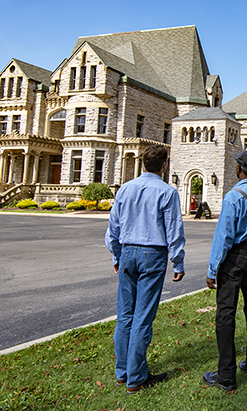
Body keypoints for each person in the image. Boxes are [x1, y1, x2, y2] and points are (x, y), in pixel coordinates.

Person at [104, 145, 186, 394]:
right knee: (142, 317)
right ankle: (136, 377)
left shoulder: (125, 189)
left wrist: (116, 255)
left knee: (125, 315)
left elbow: (113, 226)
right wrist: (178, 261)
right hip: (152, 254)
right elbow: (174, 230)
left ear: (143, 163)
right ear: (164, 165)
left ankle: (122, 372)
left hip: (128, 251)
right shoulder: (167, 192)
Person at [203, 150, 247, 392]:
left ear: (239, 169)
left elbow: (223, 236)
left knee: (226, 313)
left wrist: (213, 269)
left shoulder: (233, 196)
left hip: (234, 257)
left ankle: (226, 375)